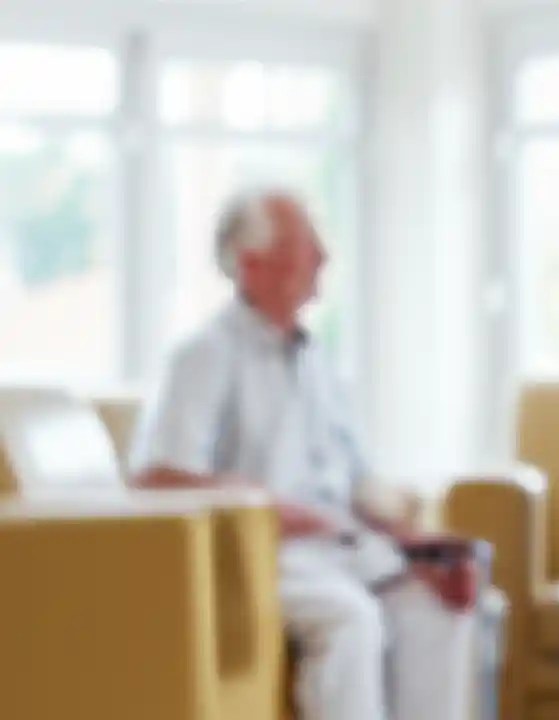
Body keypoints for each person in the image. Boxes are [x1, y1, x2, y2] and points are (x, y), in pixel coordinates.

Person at [132, 189, 479, 720]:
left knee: (439, 607)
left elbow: (353, 477)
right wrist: (265, 503)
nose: (324, 258)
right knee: (352, 620)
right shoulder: (205, 355)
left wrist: (411, 544)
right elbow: (158, 477)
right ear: (251, 266)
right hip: (263, 555)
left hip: (336, 545)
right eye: (305, 244)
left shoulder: (315, 358)